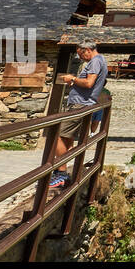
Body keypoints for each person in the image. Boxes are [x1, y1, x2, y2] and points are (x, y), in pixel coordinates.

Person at [49, 40, 108, 189]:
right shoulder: (101, 60)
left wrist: (73, 79)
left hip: (80, 104)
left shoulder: (95, 61)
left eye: (81, 54)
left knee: (58, 137)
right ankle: (62, 172)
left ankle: (61, 174)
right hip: (82, 103)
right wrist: (75, 82)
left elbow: (89, 83)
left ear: (87, 49)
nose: (80, 58)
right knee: (67, 139)